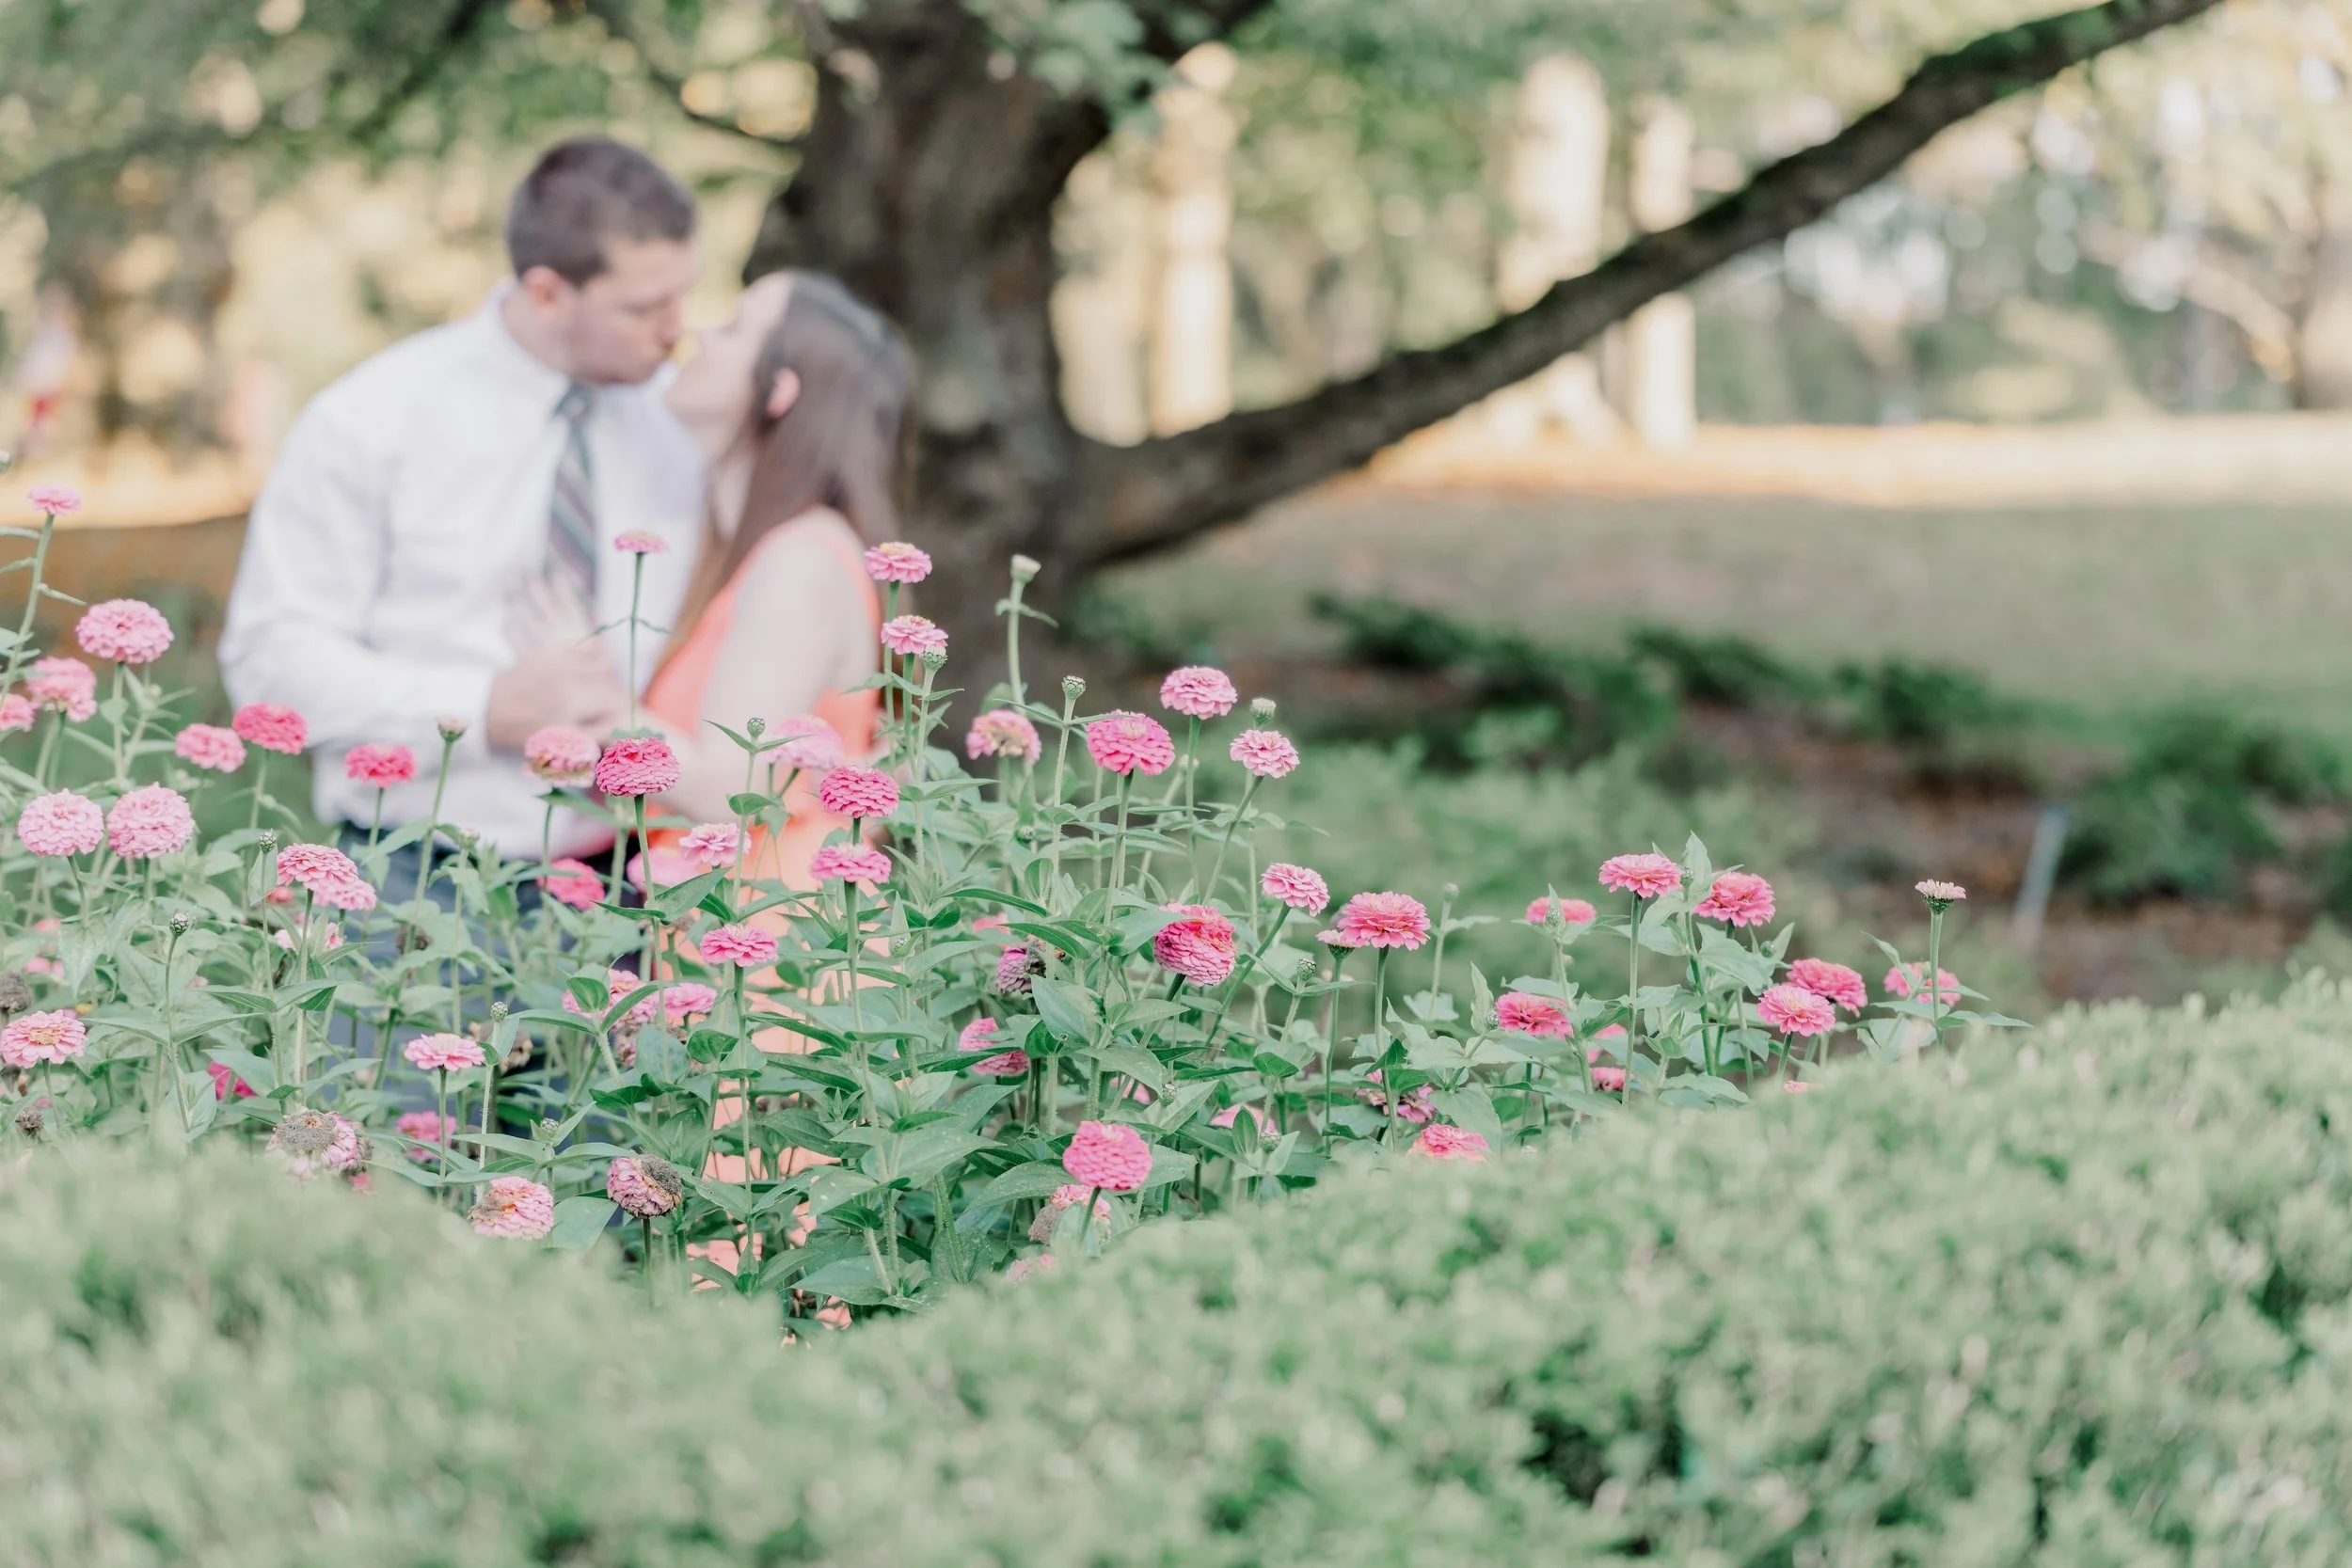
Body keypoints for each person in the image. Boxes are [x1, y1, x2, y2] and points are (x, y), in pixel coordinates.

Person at [219, 138, 705, 882]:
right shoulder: (372, 420)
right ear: (547, 293)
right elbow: (271, 660)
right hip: (423, 879)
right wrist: (480, 710)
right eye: (643, 308)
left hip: (650, 880)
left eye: (681, 296)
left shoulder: (687, 422)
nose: (676, 329)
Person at [607, 269, 908, 891]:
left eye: (732, 328)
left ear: (780, 390)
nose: (698, 334)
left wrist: (593, 701)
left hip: (773, 926)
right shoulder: (754, 551)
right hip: (724, 917)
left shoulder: (801, 560)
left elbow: (731, 790)